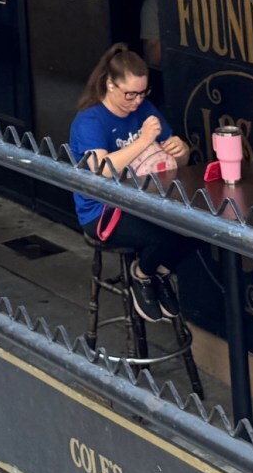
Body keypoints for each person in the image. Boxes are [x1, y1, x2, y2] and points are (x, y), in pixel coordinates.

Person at [69, 43, 192, 321]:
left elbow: (179, 160)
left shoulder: (145, 109)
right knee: (166, 235)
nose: (136, 101)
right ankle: (142, 274)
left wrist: (182, 150)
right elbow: (101, 169)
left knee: (202, 228)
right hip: (104, 211)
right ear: (110, 85)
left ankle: (158, 272)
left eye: (142, 93)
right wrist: (144, 140)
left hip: (150, 200)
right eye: (130, 94)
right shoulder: (90, 120)